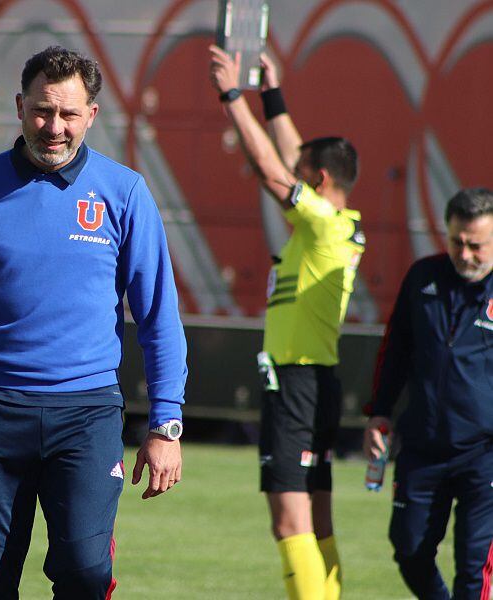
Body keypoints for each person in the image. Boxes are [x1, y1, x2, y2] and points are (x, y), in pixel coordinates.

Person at [0, 46, 188, 599]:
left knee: (86, 573)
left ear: (91, 115)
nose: (54, 127)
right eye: (42, 111)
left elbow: (158, 317)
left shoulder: (124, 193)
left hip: (87, 414)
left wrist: (165, 426)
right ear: (20, 107)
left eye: (69, 114)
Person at [209, 47, 365, 599]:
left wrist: (233, 97)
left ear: (318, 181)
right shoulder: (341, 221)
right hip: (318, 382)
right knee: (318, 525)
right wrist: (272, 95)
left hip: (296, 385)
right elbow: (294, 159)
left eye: (305, 177)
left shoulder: (321, 225)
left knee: (288, 523)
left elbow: (273, 172)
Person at [364, 188, 493, 600]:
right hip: (422, 445)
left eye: (477, 245)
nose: (466, 253)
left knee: (475, 568)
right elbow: (395, 349)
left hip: (484, 454)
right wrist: (379, 412)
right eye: (457, 241)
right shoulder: (423, 277)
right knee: (409, 549)